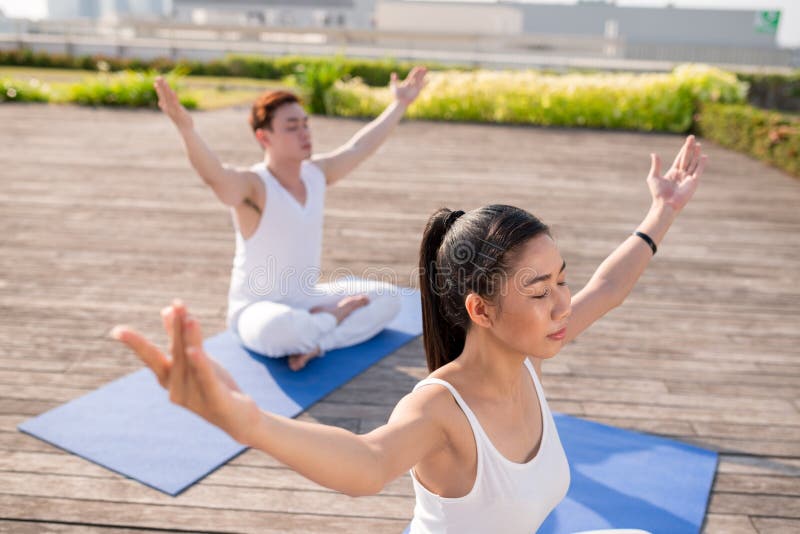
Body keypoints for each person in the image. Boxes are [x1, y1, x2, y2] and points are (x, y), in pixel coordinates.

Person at [111, 136, 706, 533]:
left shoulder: (530, 354)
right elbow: (369, 462)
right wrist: (250, 424)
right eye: (539, 289)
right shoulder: (440, 407)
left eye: (561, 280)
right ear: (482, 309)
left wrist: (663, 211)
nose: (562, 303)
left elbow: (607, 285)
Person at [153, 66, 428, 370]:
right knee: (282, 329)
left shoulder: (316, 174)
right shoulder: (253, 187)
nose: (304, 133)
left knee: (389, 299)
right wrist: (186, 129)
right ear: (264, 136)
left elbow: (360, 146)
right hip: (258, 310)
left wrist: (400, 103)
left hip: (309, 298)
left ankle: (320, 342)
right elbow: (215, 175)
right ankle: (332, 319)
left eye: (305, 124)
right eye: (292, 126)